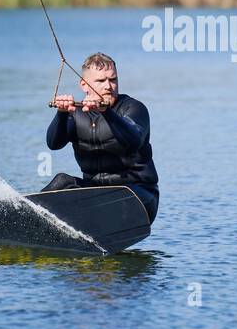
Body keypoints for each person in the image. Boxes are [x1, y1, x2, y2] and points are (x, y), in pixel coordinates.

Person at [44, 52, 159, 224]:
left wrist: (106, 113)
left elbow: (133, 140)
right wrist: (61, 114)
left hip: (139, 196)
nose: (108, 86)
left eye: (113, 80)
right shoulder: (75, 114)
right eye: (100, 81)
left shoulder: (134, 108)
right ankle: (27, 217)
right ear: (84, 85)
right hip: (96, 195)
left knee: (119, 196)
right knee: (63, 181)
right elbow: (54, 144)